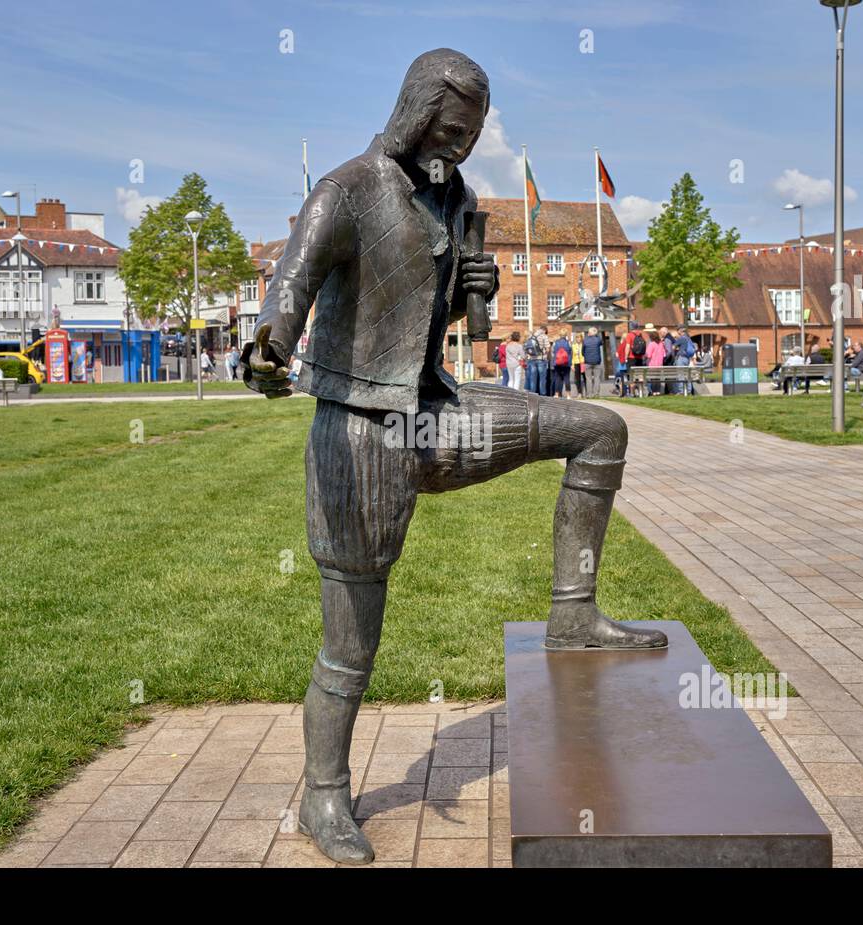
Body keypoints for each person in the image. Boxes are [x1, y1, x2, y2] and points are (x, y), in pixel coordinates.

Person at [241, 48, 664, 866]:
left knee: (598, 430)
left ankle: (572, 613)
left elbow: (472, 333)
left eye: (472, 136)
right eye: (453, 131)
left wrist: (480, 288)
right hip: (364, 431)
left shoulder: (458, 198)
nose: (463, 148)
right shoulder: (348, 191)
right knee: (350, 644)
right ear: (416, 113)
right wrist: (269, 349)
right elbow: (287, 287)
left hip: (438, 418)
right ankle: (322, 794)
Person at [581, 326, 604, 397]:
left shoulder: (585, 340)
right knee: (597, 378)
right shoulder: (598, 340)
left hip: (587, 362)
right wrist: (596, 334)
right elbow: (601, 342)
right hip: (597, 361)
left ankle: (589, 394)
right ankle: (596, 394)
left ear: (589, 333)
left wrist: (586, 356)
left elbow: (582, 352)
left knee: (588, 379)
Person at [551, 328, 572, 398]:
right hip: (566, 363)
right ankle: (568, 395)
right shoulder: (568, 342)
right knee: (567, 378)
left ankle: (556, 394)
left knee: (557, 378)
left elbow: (553, 352)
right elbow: (571, 352)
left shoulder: (555, 342)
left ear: (560, 335)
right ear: (566, 335)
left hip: (557, 363)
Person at [523, 325, 543, 394]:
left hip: (527, 361)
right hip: (533, 359)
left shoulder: (525, 342)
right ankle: (533, 392)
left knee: (528, 377)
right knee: (533, 378)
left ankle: (527, 390)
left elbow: (524, 353)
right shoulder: (533, 341)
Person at [571, 332, 584, 398]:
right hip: (576, 363)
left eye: (579, 337)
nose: (578, 339)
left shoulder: (584, 345)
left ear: (581, 338)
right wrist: (572, 365)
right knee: (577, 379)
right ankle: (579, 393)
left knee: (585, 378)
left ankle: (587, 392)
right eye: (577, 337)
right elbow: (572, 356)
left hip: (583, 363)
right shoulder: (573, 346)